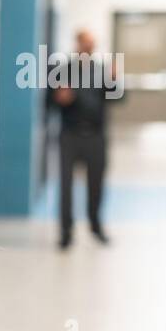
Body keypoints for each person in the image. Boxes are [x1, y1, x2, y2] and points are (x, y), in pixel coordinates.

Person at [46, 28, 121, 249]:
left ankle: (95, 225)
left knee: (96, 183)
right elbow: (49, 102)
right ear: (77, 44)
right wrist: (59, 98)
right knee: (66, 186)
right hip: (70, 134)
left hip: (96, 135)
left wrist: (115, 81)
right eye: (86, 43)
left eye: (92, 44)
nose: (89, 48)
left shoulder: (101, 70)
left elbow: (117, 98)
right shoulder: (62, 70)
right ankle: (66, 232)